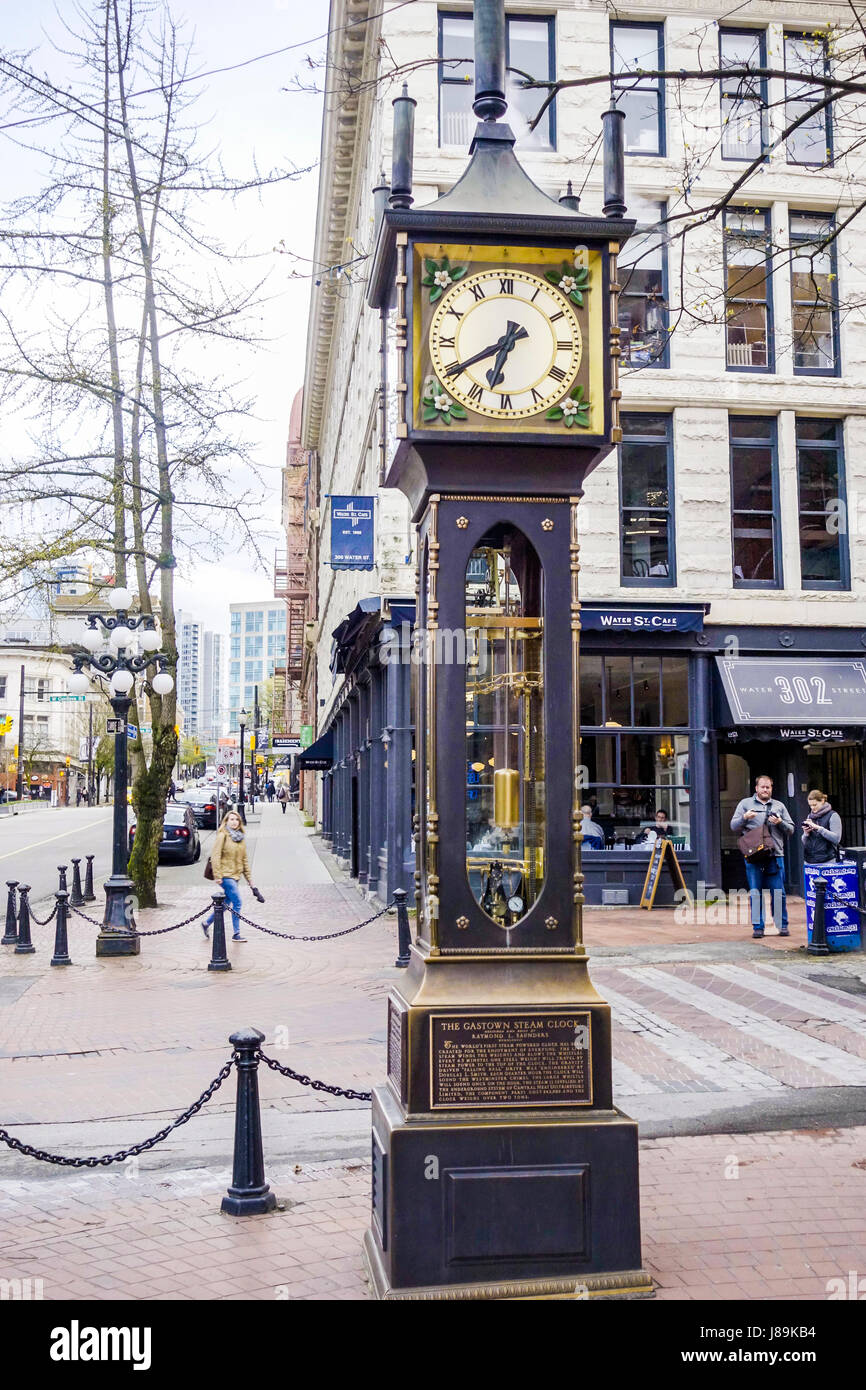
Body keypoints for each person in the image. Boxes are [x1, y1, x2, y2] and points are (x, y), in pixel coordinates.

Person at [731, 774, 795, 939]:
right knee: (755, 892)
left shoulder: (779, 806)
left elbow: (791, 830)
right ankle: (758, 927)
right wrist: (745, 818)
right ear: (756, 788)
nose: (765, 790)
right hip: (754, 856)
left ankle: (782, 925)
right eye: (763, 787)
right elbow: (733, 826)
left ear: (771, 789)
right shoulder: (745, 804)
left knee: (779, 892)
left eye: (768, 787)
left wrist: (780, 822)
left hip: (776, 855)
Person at [202, 809, 256, 943]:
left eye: (236, 819)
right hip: (225, 875)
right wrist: (218, 875)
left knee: (226, 903)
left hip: (236, 875)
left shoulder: (240, 838)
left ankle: (206, 923)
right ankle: (236, 934)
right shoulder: (223, 835)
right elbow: (215, 855)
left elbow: (244, 861)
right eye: (231, 819)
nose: (234, 822)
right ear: (226, 821)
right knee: (237, 902)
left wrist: (250, 881)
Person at [801, 789, 843, 864]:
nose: (812, 808)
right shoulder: (810, 816)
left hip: (828, 860)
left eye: (815, 805)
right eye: (810, 805)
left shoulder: (833, 815)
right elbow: (804, 841)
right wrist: (806, 833)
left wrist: (818, 828)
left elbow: (837, 839)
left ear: (822, 801)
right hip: (809, 861)